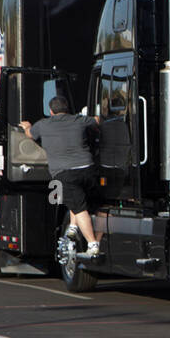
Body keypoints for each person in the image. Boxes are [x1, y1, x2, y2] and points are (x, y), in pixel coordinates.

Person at [19, 97, 101, 258]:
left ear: (51, 111)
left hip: (65, 173)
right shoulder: (79, 120)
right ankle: (72, 227)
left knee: (79, 208)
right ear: (67, 109)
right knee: (77, 199)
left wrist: (27, 126)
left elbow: (29, 134)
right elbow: (97, 121)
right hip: (88, 170)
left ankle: (92, 245)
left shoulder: (43, 125)